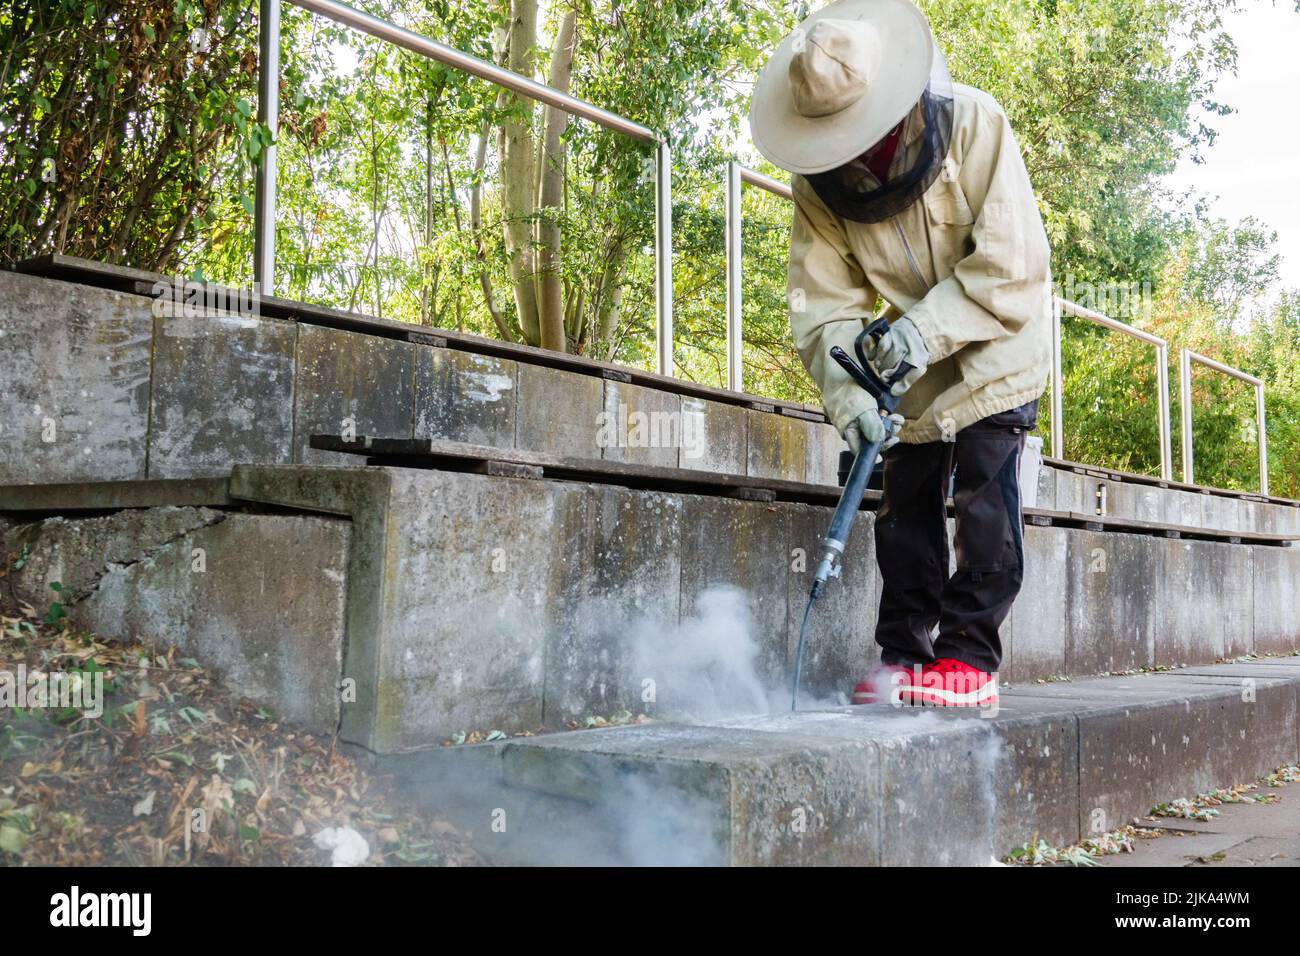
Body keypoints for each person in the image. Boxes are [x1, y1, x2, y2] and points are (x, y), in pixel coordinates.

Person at [749, 0, 1052, 706]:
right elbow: (821, 307)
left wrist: (920, 332)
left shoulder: (977, 124)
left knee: (983, 494)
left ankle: (970, 660)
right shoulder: (817, 189)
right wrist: (850, 398)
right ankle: (903, 657)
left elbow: (1012, 263)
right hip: (902, 368)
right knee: (902, 497)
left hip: (997, 342)